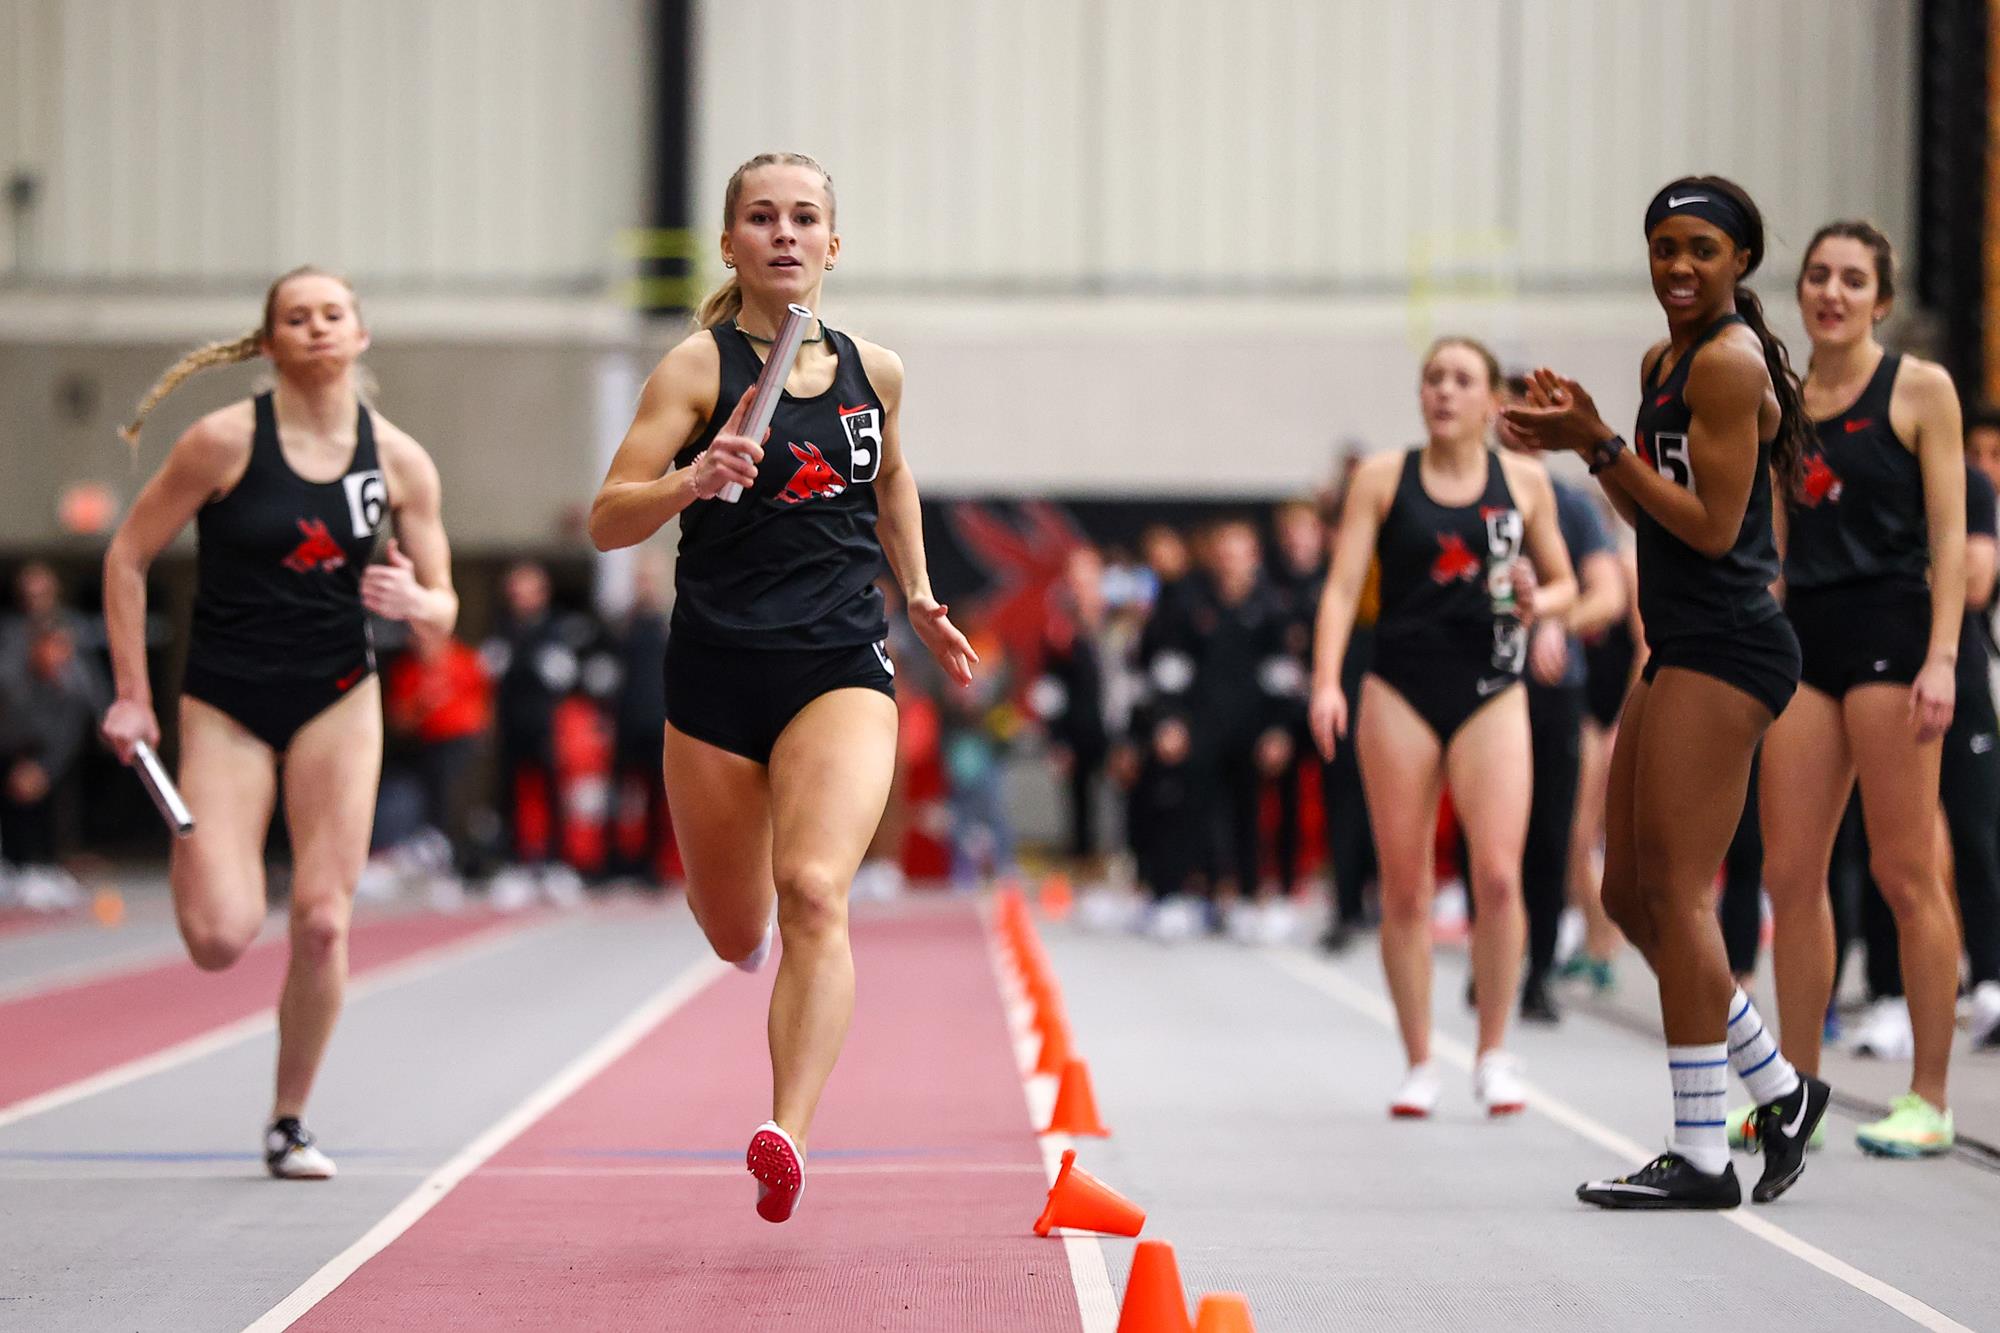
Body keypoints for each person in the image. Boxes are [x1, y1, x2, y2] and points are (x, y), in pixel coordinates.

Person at [587, 152, 974, 1224]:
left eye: (805, 218)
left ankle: (786, 1131)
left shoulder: (874, 370)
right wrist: (690, 478)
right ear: (730, 244)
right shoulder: (693, 371)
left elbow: (892, 476)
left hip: (838, 662)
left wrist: (919, 591)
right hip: (715, 672)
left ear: (832, 245)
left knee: (813, 888)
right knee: (731, 928)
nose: (784, 233)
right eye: (762, 218)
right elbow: (608, 518)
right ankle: (742, 923)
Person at [1503, 177, 1827, 1208]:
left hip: (1729, 642)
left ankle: (1702, 1153)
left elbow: (1712, 527)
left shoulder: (1727, 364)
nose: (1678, 266)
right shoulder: (1664, 361)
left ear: (1741, 261)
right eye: (1662, 247)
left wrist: (1597, 442)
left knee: (1680, 896)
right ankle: (1779, 1089)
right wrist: (1589, 443)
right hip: (1682, 639)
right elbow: (1652, 511)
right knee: (1626, 894)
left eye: (1700, 248)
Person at [100, 266, 459, 1179]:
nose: (317, 328)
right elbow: (128, 556)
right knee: (220, 937)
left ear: (360, 334)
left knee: (324, 923)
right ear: (268, 343)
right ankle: (211, 851)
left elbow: (445, 609)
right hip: (226, 701)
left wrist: (417, 600)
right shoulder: (222, 442)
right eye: (297, 317)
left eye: (333, 314)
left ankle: (289, 1120)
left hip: (338, 694)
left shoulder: (401, 459)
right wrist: (133, 692)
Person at [1744, 221, 1967, 1159]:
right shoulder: (1781, 400)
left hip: (1892, 633)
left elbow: (1950, 535)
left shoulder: (1920, 389)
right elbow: (1775, 545)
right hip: (1808, 636)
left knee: (1903, 871)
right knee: (1790, 875)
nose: (1831, 292)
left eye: (1852, 279)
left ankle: (1930, 1096)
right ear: (1799, 292)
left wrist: (1944, 657)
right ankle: (1795, 1093)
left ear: (1881, 300)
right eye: (1818, 277)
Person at [1311, 337, 1576, 1119]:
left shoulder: (1524, 480)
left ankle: (1493, 1052)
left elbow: (1566, 582)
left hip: (1492, 687)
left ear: (1493, 400)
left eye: (1462, 380)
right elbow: (1341, 589)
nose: (1444, 392)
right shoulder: (1381, 477)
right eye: (1433, 378)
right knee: (1406, 885)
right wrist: (1326, 682)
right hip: (1400, 686)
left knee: (1497, 876)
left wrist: (1540, 601)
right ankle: (1419, 1059)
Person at [1497, 377, 1628, 1023]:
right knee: (1495, 836)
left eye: (1534, 418)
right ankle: (1495, 956)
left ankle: (1540, 970)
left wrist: (1556, 621)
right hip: (1482, 687)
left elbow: (1608, 595)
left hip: (1553, 690)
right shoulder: (1467, 495)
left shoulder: (1570, 506)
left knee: (1555, 833)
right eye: (1511, 415)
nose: (1522, 429)